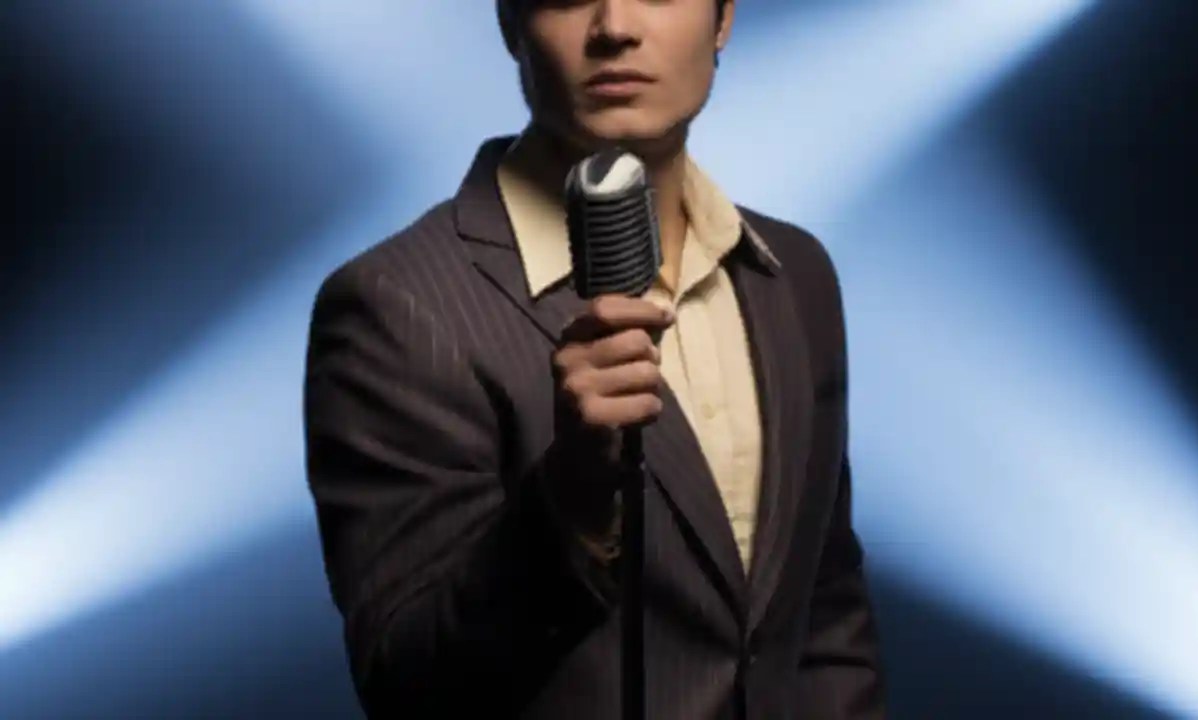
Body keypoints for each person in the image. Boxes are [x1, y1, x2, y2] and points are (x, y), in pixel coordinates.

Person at [302, 0, 886, 717]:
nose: (615, 27)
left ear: (724, 17)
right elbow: (409, 684)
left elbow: (824, 609)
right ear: (510, 22)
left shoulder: (793, 274)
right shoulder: (395, 307)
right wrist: (571, 501)